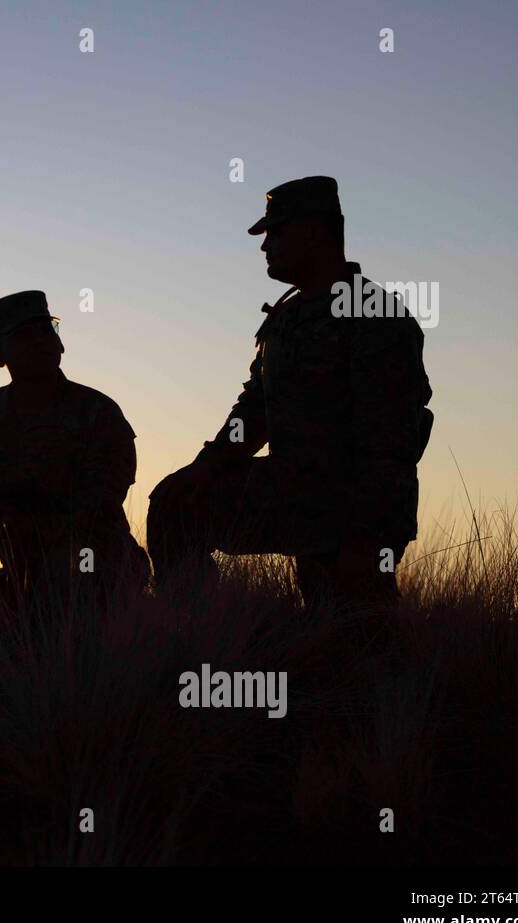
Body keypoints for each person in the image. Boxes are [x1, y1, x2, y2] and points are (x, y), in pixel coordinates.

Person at [146, 177, 433, 606]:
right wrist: (207, 467)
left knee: (354, 623)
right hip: (295, 488)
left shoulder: (372, 313)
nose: (266, 246)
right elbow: (255, 408)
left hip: (358, 501)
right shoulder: (287, 316)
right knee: (175, 503)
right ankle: (197, 634)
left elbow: (389, 441)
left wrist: (367, 537)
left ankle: (400, 668)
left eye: (276, 232)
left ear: (315, 231)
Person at [0, 291, 149, 635]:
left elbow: (101, 501)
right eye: (23, 336)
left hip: (95, 570)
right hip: (16, 579)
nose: (39, 343)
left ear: (60, 344)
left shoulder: (97, 411)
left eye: (46, 331)